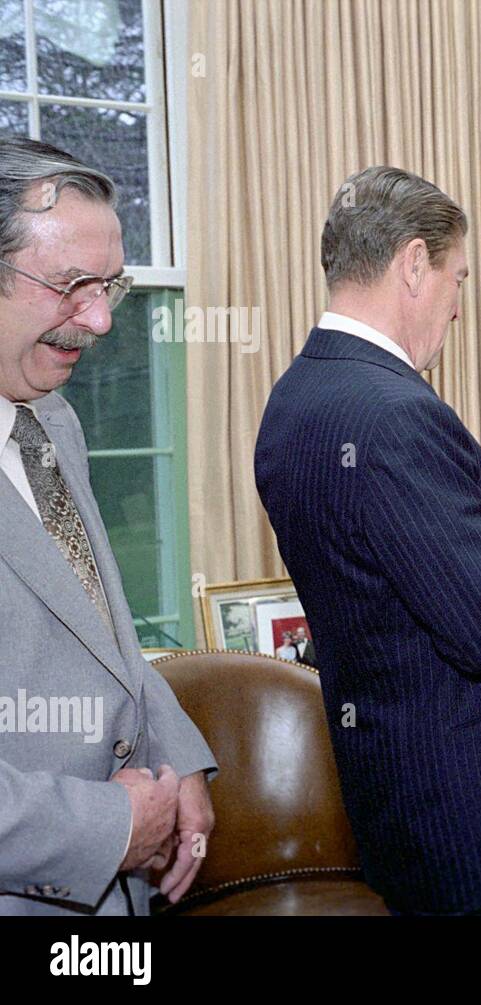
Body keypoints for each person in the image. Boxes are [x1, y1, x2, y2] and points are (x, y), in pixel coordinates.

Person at [255, 165, 481, 916]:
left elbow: (418, 518)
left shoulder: (300, 396)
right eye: (458, 277)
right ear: (414, 263)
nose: (455, 306)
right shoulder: (394, 411)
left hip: (401, 800)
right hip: (471, 817)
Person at [0, 137, 216, 916]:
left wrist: (179, 755)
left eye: (109, 286)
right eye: (70, 286)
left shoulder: (52, 421)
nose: (98, 320)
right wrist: (113, 824)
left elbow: (105, 628)